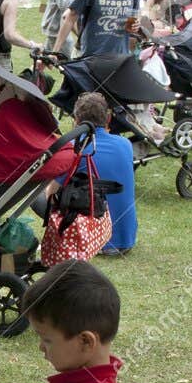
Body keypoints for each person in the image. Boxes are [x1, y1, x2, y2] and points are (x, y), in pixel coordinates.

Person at [66, 90, 136, 258]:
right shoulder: (126, 144)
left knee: (42, 197)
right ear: (108, 118)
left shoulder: (73, 148)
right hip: (126, 240)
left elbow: (52, 192)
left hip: (90, 240)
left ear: (76, 121)